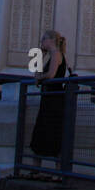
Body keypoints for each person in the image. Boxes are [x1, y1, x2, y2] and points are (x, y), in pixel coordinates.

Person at [28, 30, 69, 163]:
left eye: (43, 39)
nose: (41, 42)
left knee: (50, 131)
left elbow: (51, 74)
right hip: (49, 98)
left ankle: (48, 169)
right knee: (43, 131)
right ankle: (38, 169)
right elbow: (38, 73)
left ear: (51, 40)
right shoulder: (53, 55)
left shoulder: (56, 54)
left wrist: (40, 77)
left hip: (54, 99)